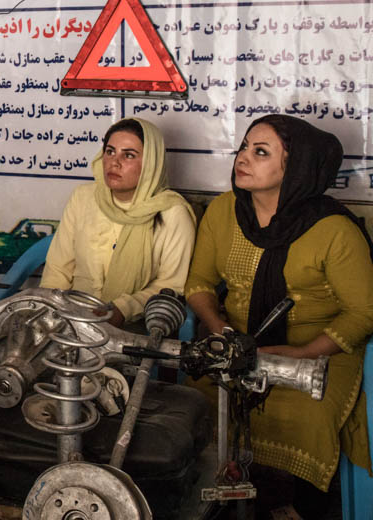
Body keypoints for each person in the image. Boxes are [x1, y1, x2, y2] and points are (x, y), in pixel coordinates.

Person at [186, 115, 373, 516]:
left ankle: (301, 508)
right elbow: (199, 283)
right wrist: (221, 330)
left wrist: (300, 353)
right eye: (244, 147)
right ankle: (212, 507)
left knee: (305, 414)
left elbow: (363, 312)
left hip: (320, 351)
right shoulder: (224, 211)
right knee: (194, 403)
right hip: (236, 344)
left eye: (261, 152)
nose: (243, 158)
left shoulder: (335, 230)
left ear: (296, 168)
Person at [40, 117, 196, 326]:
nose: (114, 162)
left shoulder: (173, 213)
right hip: (70, 317)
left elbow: (171, 285)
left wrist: (121, 310)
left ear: (150, 163)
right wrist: (49, 311)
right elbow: (59, 267)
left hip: (132, 326)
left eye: (129, 155)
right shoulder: (83, 197)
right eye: (110, 151)